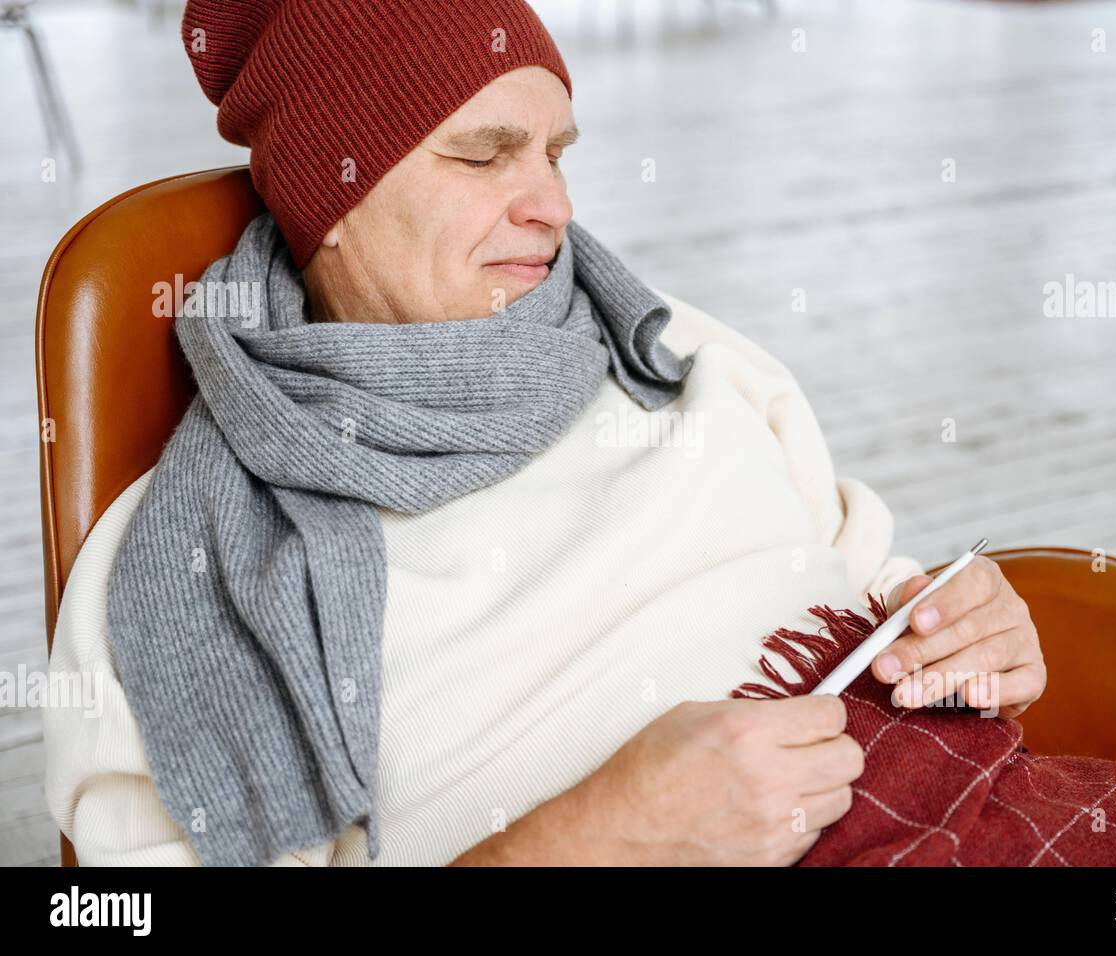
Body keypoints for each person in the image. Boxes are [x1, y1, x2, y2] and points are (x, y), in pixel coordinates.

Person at [43, 0, 1044, 867]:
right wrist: (593, 839)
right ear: (331, 194)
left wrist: (958, 638)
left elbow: (876, 591)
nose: (555, 208)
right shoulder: (186, 569)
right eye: (482, 155)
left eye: (556, 153)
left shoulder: (676, 351)